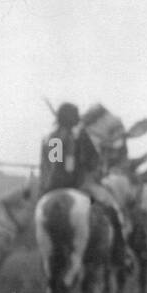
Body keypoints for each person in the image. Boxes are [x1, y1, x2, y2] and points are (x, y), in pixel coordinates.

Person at [39, 102, 128, 255]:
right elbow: (76, 165)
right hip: (75, 186)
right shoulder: (71, 137)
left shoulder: (49, 137)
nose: (79, 118)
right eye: (76, 115)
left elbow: (52, 166)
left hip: (46, 190)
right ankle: (120, 253)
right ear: (71, 118)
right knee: (111, 207)